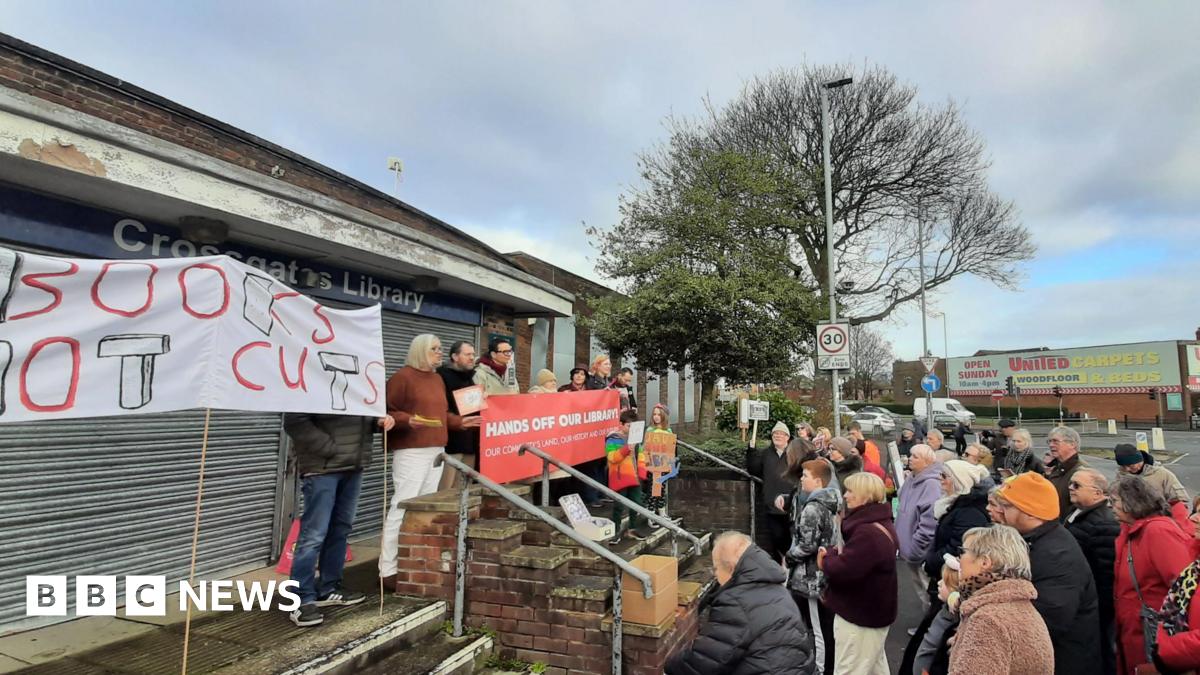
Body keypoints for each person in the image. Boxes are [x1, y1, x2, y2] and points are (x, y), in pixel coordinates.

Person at [380, 334, 479, 591]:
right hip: (412, 450)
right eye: (434, 349)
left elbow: (440, 414)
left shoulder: (436, 379)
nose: (439, 353)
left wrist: (459, 422)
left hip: (436, 448)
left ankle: (416, 562)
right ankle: (387, 568)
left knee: (426, 508)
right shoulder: (403, 377)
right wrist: (406, 419)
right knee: (402, 505)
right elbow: (386, 410)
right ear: (421, 351)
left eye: (440, 348)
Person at [282, 411, 394, 626]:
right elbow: (294, 421)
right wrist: (329, 449)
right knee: (313, 534)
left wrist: (377, 422)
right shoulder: (314, 381)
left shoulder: (359, 385)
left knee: (341, 528)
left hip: (353, 465)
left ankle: (328, 588)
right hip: (322, 467)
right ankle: (300, 598)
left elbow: (361, 418)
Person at [994, 472, 1102, 675]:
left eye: (1008, 506)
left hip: (1062, 662)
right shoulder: (1036, 541)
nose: (1000, 511)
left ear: (1031, 513)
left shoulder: (1057, 555)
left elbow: (1046, 621)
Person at [666, 532, 815, 675]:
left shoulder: (735, 604)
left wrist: (669, 666)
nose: (715, 575)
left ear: (730, 569)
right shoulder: (779, 591)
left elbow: (704, 662)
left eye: (716, 568)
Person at [1110, 476, 1193, 675]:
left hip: (1153, 637)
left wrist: (1172, 640)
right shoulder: (1131, 530)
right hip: (1136, 632)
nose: (1110, 506)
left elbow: (1184, 587)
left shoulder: (1158, 531)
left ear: (1132, 502)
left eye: (1114, 501)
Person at [946, 526, 1054, 675]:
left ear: (984, 562)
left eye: (962, 551)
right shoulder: (1019, 606)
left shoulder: (987, 620)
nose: (959, 559)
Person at [818, 473, 897, 675]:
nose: (845, 495)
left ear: (865, 496)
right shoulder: (878, 524)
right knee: (874, 668)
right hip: (872, 613)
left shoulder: (867, 533)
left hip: (860, 616)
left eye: (850, 491)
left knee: (849, 669)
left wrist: (825, 561)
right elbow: (855, 557)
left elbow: (844, 569)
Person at [785, 459, 840, 675]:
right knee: (824, 627)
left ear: (817, 481)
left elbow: (806, 545)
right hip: (823, 573)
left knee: (819, 629)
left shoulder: (812, 508)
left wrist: (789, 557)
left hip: (812, 577)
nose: (801, 479)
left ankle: (822, 669)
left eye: (805, 476)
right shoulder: (831, 502)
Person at [1065, 468, 1120, 675]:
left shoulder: (1104, 523)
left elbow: (1106, 574)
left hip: (1096, 606)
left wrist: (1098, 606)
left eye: (1077, 485)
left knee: (1101, 652)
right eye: (1071, 483)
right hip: (1082, 598)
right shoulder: (1077, 513)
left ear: (1097, 493)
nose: (1071, 488)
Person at [924, 460, 991, 604]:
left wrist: (931, 562)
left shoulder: (969, 512)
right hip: (944, 572)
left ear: (958, 481)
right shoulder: (957, 504)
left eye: (944, 475)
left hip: (952, 579)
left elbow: (958, 548)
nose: (939, 478)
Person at [1152, 503, 1200, 674]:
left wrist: (1165, 651)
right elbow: (1170, 611)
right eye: (1196, 512)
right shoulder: (1194, 565)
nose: (1193, 518)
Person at [896, 445, 942, 613]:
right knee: (920, 591)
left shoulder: (931, 484)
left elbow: (928, 523)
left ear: (927, 461)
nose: (910, 458)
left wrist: (915, 549)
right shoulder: (912, 478)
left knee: (927, 592)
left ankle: (927, 627)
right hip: (909, 551)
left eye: (915, 457)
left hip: (918, 554)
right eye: (911, 455)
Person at [747, 421, 796, 564]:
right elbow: (753, 470)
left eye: (781, 434)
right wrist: (751, 450)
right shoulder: (766, 454)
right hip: (771, 504)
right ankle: (780, 565)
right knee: (776, 537)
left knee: (790, 536)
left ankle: (790, 564)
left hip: (791, 505)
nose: (778, 436)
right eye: (775, 433)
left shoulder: (793, 453)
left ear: (787, 437)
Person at [1113, 442, 1192, 528]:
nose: (1127, 469)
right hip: (1132, 523)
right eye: (1123, 466)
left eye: (1130, 465)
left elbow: (1179, 500)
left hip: (1161, 523)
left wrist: (1174, 523)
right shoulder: (1121, 476)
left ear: (1139, 460)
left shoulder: (1162, 474)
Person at [436, 340, 480, 491]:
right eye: (467, 354)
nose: (472, 358)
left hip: (470, 443)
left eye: (473, 354)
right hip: (451, 445)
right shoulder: (442, 377)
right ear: (455, 356)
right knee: (445, 490)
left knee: (463, 491)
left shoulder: (469, 378)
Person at [913, 553, 962, 675]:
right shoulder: (942, 609)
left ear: (956, 589)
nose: (939, 583)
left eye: (944, 581)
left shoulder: (952, 620)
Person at [605, 409, 649, 544]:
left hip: (634, 476)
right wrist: (626, 449)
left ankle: (632, 529)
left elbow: (641, 455)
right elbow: (612, 457)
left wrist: (642, 472)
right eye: (628, 426)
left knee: (636, 503)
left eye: (633, 426)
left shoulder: (636, 439)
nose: (631, 429)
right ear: (621, 424)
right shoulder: (613, 438)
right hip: (620, 477)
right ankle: (616, 531)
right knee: (619, 505)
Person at [1044, 426, 1089, 522]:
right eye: (1049, 441)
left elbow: (1083, 506)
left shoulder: (1082, 472)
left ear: (1072, 444)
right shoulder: (1055, 468)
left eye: (1055, 441)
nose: (1051, 445)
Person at [643, 403, 673, 523]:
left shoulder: (668, 430)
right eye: (654, 414)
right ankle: (651, 513)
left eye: (659, 415)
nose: (656, 417)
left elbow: (670, 448)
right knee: (653, 489)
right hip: (653, 464)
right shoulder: (650, 430)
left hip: (664, 463)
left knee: (662, 488)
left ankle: (661, 512)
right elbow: (645, 447)